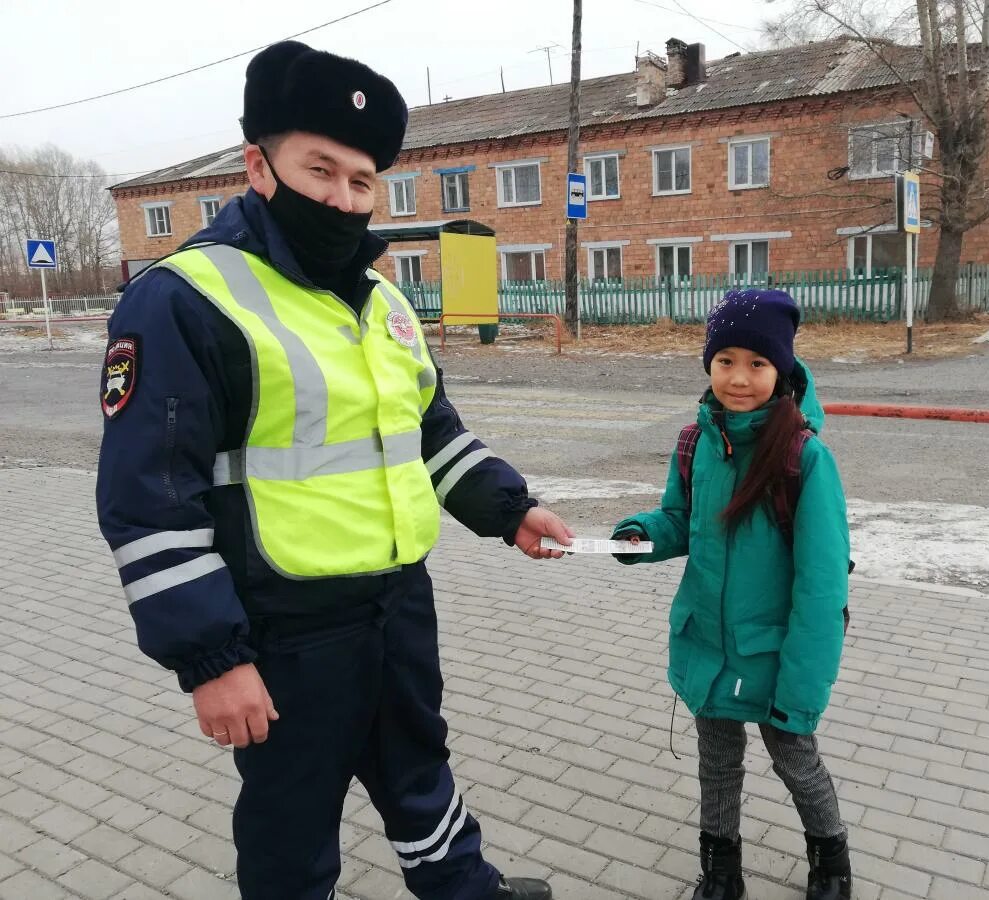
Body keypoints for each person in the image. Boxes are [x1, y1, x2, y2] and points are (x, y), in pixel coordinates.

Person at [95, 41, 573, 900]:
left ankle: (465, 890)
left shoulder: (383, 301)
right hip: (285, 630)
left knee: (420, 771)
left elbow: (427, 432)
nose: (344, 198)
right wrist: (212, 659)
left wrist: (509, 509)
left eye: (362, 182)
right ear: (258, 164)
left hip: (397, 601)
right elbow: (151, 501)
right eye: (322, 169)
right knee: (292, 823)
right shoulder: (185, 297)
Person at [609, 289, 852, 900]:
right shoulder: (696, 442)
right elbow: (679, 518)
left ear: (783, 371)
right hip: (708, 644)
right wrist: (643, 536)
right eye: (725, 361)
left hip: (773, 656)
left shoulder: (805, 458)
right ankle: (720, 871)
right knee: (717, 767)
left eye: (757, 364)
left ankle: (832, 860)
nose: (739, 378)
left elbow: (823, 589)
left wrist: (802, 684)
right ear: (708, 364)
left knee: (796, 763)